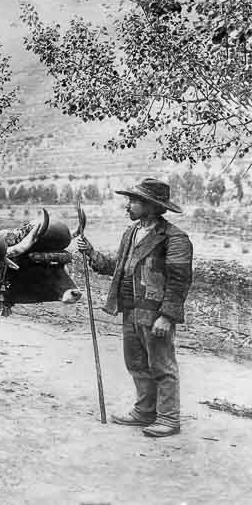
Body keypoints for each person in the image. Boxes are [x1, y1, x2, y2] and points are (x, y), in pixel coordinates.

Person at [76, 178, 193, 438]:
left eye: (133, 201)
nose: (127, 206)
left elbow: (179, 282)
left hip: (155, 314)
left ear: (151, 206)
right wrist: (91, 253)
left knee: (162, 366)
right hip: (129, 310)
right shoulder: (131, 233)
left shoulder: (175, 239)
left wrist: (167, 316)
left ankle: (168, 419)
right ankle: (144, 411)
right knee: (136, 363)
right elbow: (116, 267)